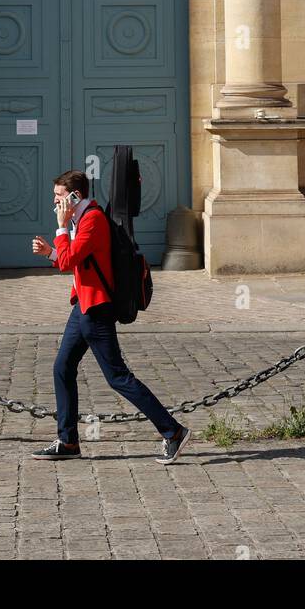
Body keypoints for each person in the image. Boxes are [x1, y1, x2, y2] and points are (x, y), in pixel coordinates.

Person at [31, 169, 190, 464]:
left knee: (118, 377)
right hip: (83, 306)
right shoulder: (83, 218)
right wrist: (50, 253)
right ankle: (67, 442)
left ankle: (173, 432)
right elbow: (77, 261)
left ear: (75, 196)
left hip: (96, 309)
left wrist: (60, 229)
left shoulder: (91, 220)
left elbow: (69, 261)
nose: (54, 202)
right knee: (62, 368)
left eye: (59, 196)